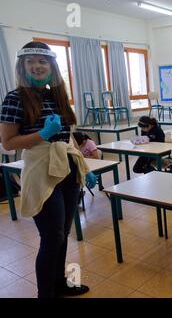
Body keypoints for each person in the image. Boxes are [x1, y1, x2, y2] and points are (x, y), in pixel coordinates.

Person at [0, 42, 96, 298]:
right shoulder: (15, 97)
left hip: (67, 168)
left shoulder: (57, 95)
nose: (37, 66)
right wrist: (42, 135)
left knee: (62, 234)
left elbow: (68, 136)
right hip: (42, 171)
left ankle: (59, 284)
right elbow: (8, 142)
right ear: (23, 66)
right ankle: (46, 293)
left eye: (42, 61)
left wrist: (85, 167)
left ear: (52, 67)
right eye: (30, 61)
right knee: (51, 236)